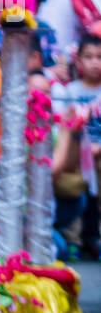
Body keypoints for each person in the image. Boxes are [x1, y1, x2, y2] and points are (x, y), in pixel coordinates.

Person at [52, 33, 101, 260]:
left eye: (99, 57)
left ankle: (95, 238)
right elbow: (65, 125)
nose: (95, 62)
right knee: (73, 184)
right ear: (78, 61)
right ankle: (74, 238)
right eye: (89, 57)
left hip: (97, 153)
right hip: (76, 152)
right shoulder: (69, 91)